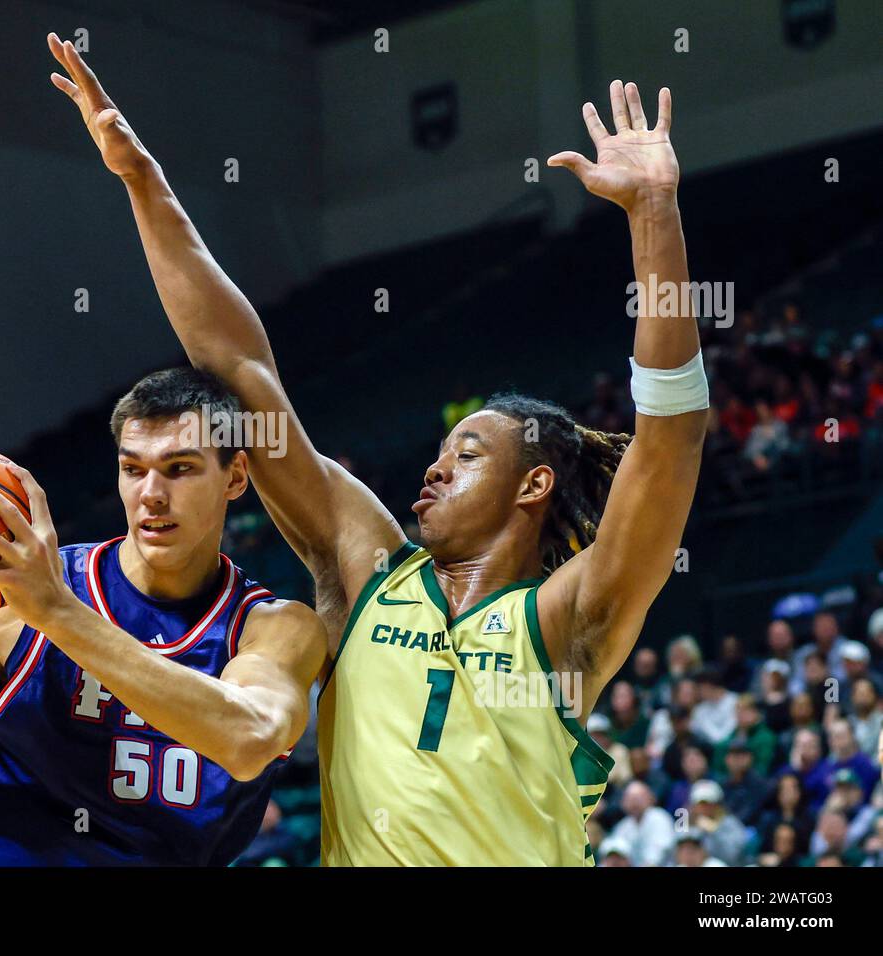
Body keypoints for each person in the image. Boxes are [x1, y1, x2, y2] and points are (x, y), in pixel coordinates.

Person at [51, 41, 707, 865]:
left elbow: (672, 439)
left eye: (467, 454)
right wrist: (143, 184)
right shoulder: (367, 570)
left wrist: (653, 217)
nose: (433, 469)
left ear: (533, 484)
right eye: (441, 450)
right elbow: (240, 369)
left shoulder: (564, 617)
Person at [0, 368, 327, 866]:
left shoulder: (273, 627)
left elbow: (249, 739)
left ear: (235, 476)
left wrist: (59, 615)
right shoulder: (14, 602)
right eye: (133, 469)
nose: (151, 494)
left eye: (180, 468)